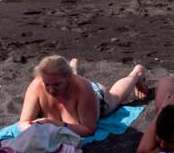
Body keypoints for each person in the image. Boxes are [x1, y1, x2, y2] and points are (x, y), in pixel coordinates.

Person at [18, 55, 147, 139]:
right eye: (47, 84)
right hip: (70, 81)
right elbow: (24, 122)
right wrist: (32, 130)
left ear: (68, 78)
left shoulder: (83, 90)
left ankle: (136, 74)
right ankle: (72, 67)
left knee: (116, 98)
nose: (51, 90)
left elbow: (88, 129)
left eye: (56, 84)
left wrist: (53, 123)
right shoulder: (37, 85)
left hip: (97, 97)